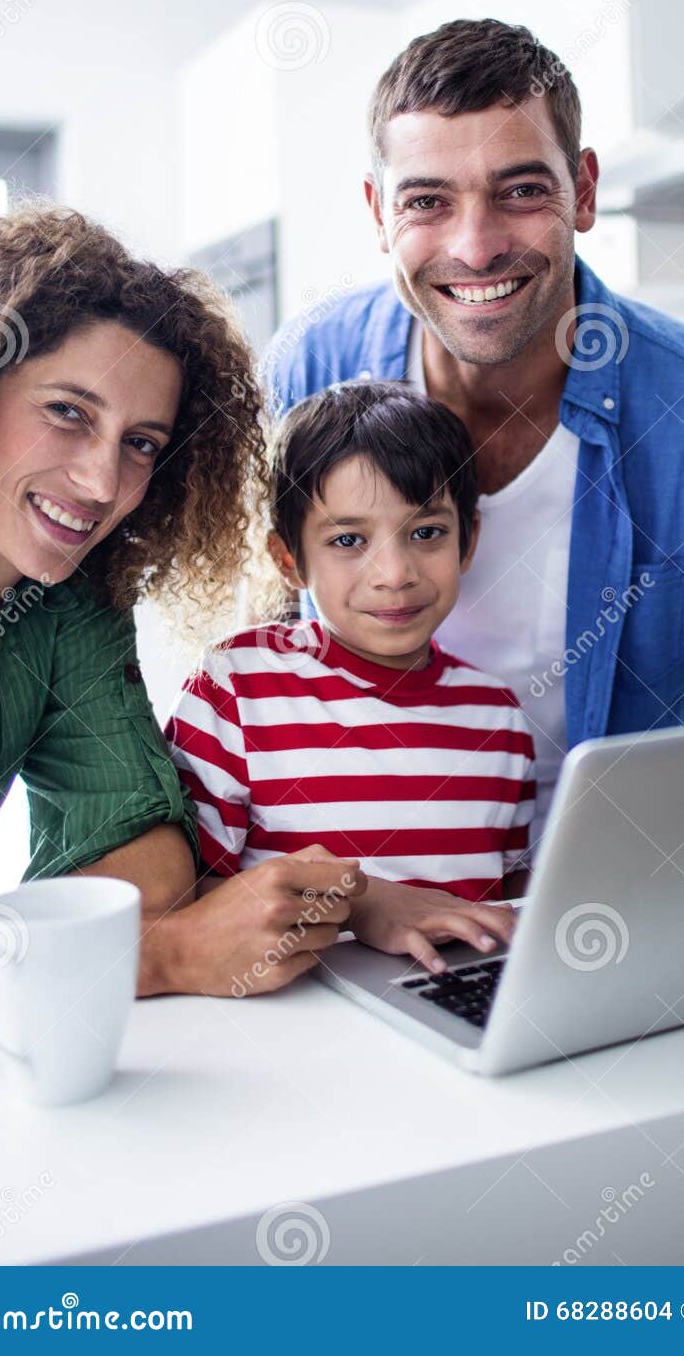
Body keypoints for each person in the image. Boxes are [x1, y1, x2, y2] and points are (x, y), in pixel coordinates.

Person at [266, 17, 684, 982]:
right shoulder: (305, 372)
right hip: (340, 928)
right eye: (428, 200)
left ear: (583, 191)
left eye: (520, 191)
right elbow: (249, 677)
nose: (475, 246)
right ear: (378, 209)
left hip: (598, 932)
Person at [0, 206, 365, 1021]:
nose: (101, 482)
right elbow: (150, 923)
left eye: (141, 443)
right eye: (67, 412)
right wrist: (162, 954)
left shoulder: (64, 604)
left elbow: (149, 867)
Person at [166, 380, 533, 975]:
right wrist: (361, 903)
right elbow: (181, 907)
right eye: (348, 540)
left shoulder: (499, 719)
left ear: (468, 541)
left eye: (426, 533)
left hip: (448, 1021)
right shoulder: (233, 691)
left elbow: (506, 909)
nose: (394, 573)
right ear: (290, 560)